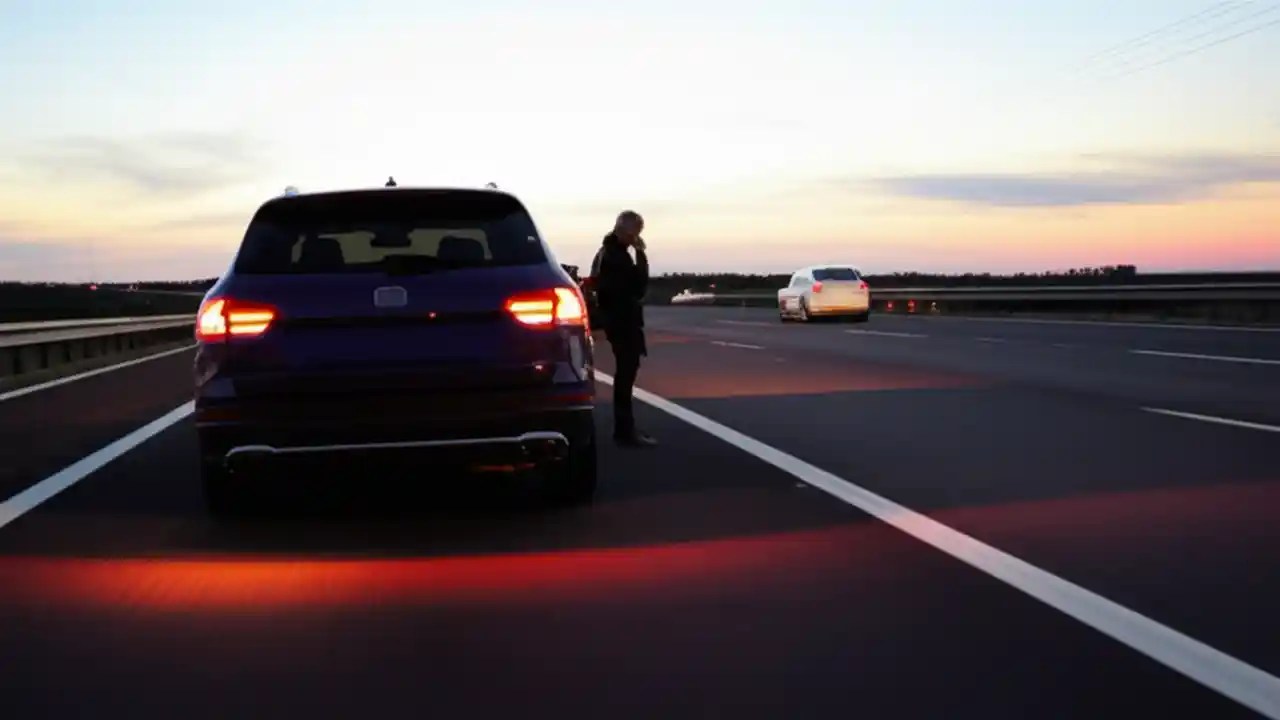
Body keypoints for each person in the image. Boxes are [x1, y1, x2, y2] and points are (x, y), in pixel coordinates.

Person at [593, 210, 657, 447]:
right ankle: (624, 429)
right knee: (626, 373)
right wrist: (641, 253)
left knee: (626, 372)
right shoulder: (616, 256)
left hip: (615, 320)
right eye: (635, 234)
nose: (635, 238)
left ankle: (625, 427)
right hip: (622, 321)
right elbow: (639, 285)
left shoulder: (606, 252)